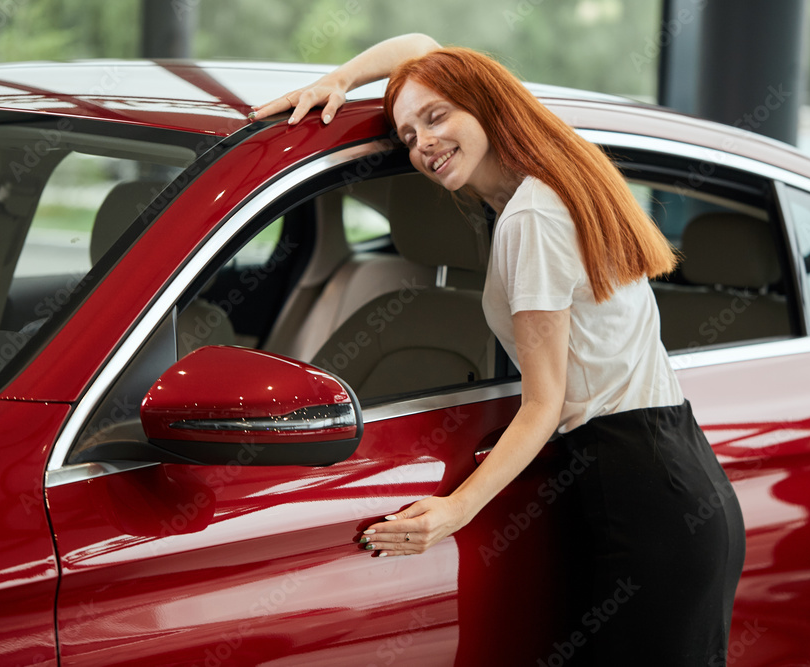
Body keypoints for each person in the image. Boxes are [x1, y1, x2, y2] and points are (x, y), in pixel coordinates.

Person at [252, 33, 745, 665]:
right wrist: (340, 81)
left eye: (437, 118)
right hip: (676, 470)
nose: (423, 143)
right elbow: (422, 46)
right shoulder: (547, 179)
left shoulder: (531, 220)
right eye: (407, 134)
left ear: (485, 106)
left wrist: (454, 511)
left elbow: (544, 403)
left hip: (636, 490)